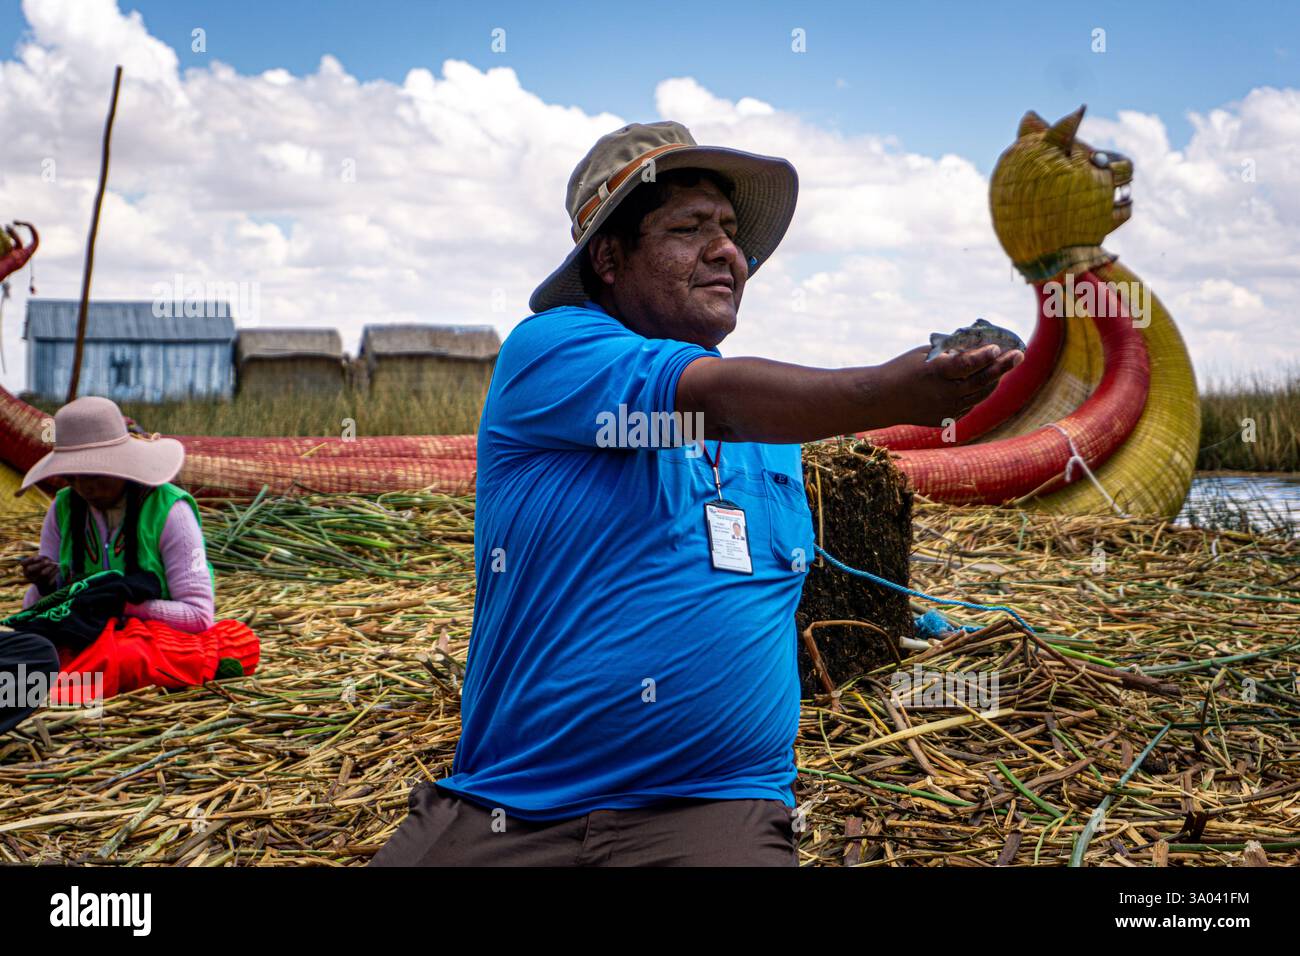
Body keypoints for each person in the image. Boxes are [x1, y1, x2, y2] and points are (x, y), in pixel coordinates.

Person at [371, 120, 1022, 867]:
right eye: (690, 227)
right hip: (515, 805)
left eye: (731, 230)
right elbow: (712, 400)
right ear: (609, 258)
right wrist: (892, 390)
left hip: (713, 808)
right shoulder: (553, 352)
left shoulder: (774, 438)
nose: (728, 252)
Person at [0, 396, 259, 734]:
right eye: (73, 477)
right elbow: (39, 615)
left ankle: (47, 696)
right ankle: (43, 693)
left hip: (148, 636)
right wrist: (48, 587)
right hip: (83, 637)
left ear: (120, 463)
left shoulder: (170, 513)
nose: (85, 487)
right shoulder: (63, 509)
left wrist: (122, 605)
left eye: (94, 475)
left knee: (130, 656)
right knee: (35, 650)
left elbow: (198, 615)